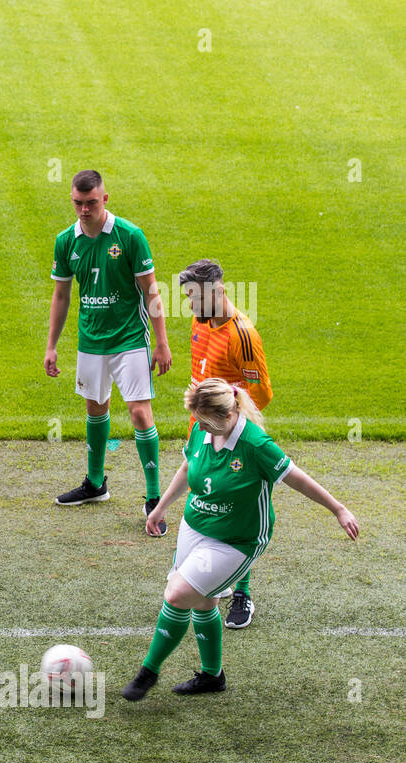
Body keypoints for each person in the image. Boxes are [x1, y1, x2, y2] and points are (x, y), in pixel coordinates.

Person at [121, 379, 358, 701]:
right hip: (196, 526)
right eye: (198, 421)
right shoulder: (203, 430)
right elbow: (188, 465)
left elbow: (296, 478)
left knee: (177, 595)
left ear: (228, 414)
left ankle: (148, 672)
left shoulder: (256, 445)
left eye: (206, 421)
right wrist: (161, 507)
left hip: (237, 539)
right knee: (204, 601)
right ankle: (211, 675)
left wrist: (338, 509)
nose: (200, 427)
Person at [45, 170, 172, 533]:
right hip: (91, 341)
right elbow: (62, 295)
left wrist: (161, 342)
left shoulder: (130, 236)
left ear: (105, 199)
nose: (84, 210)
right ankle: (96, 483)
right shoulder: (66, 241)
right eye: (78, 203)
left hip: (130, 338)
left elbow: (152, 292)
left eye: (91, 203)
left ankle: (154, 498)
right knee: (95, 409)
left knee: (139, 414)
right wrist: (52, 345)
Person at [179, 259, 273, 627]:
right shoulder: (200, 321)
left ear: (215, 292)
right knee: (204, 501)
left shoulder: (242, 334)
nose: (188, 305)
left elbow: (261, 392)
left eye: (193, 297)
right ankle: (205, 578)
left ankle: (242, 594)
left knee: (236, 510)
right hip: (200, 432)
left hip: (232, 438)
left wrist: (231, 426)